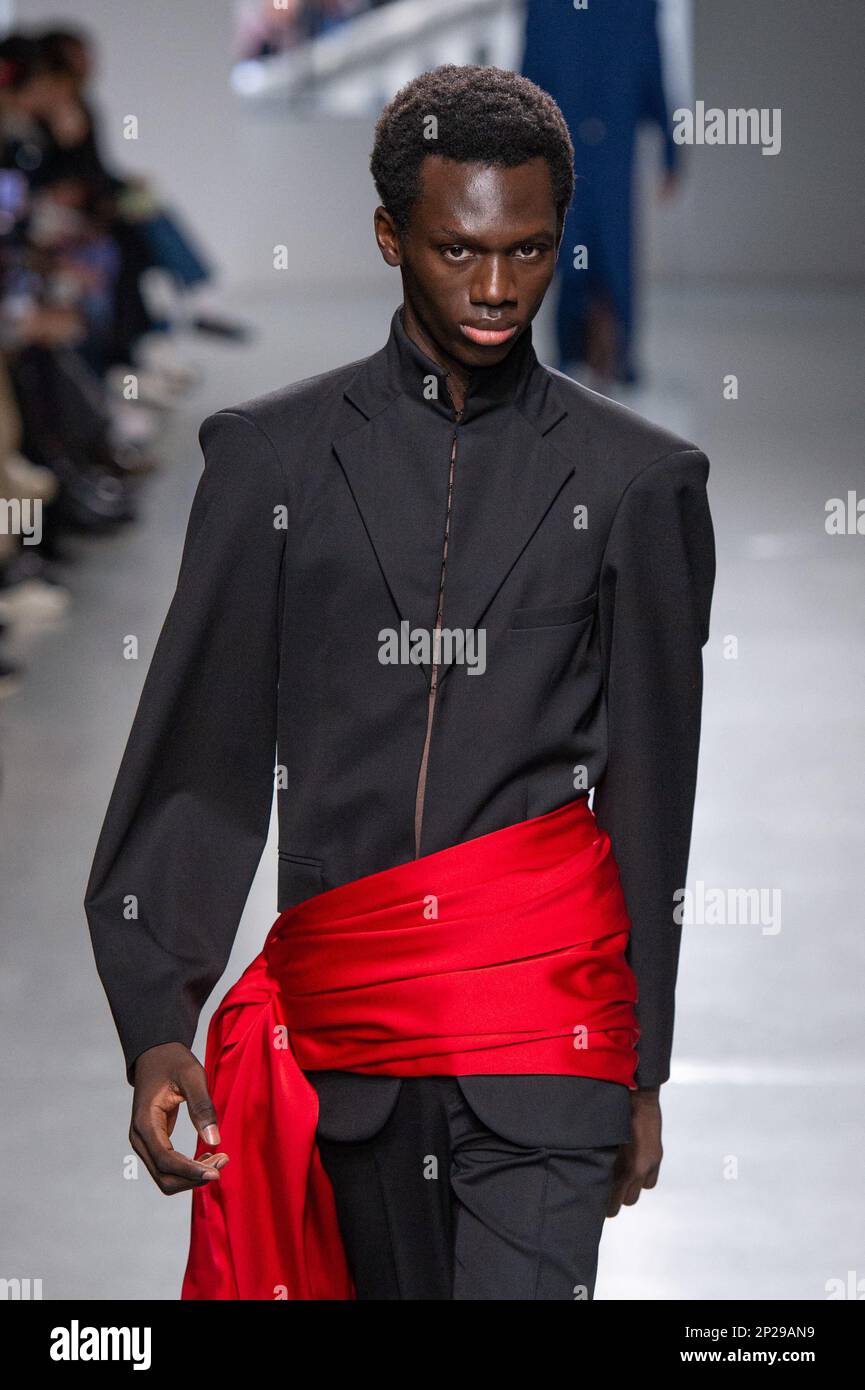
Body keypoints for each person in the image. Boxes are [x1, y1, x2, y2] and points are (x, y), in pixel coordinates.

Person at [84, 63, 715, 1301]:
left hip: (547, 1033)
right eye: (457, 249)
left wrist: (640, 1065)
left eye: (528, 252)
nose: (493, 289)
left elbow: (651, 793)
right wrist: (160, 1015)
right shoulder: (271, 460)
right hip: (349, 1045)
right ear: (389, 236)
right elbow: (201, 749)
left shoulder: (637, 483)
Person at [522, 0, 681, 387]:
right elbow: (530, 76)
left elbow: (653, 70)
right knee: (576, 246)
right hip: (573, 146)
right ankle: (581, 353)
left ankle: (602, 352)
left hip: (604, 148)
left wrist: (671, 150)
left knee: (605, 248)